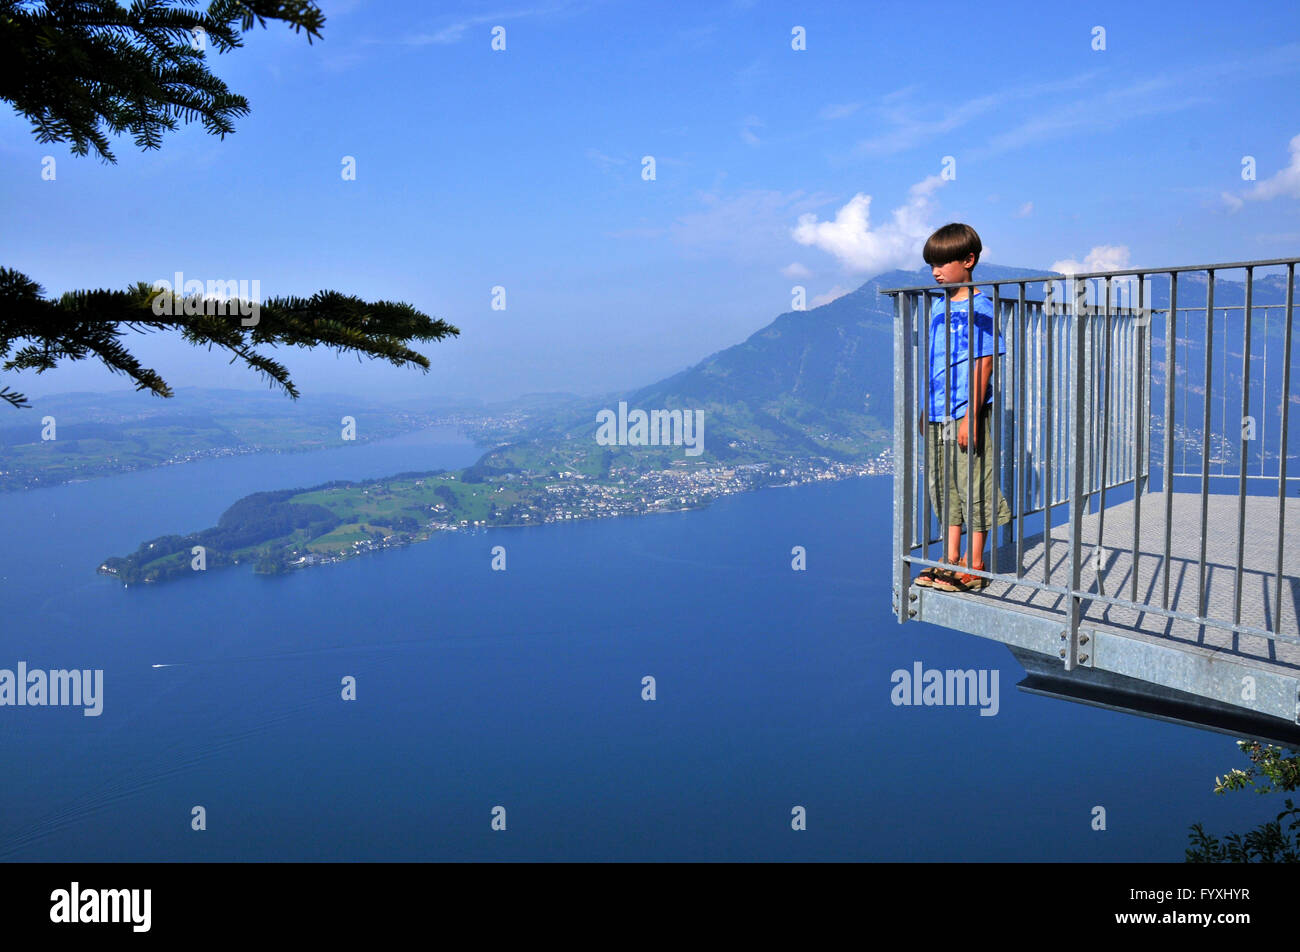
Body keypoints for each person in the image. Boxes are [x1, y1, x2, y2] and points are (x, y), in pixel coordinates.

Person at [912, 222, 1011, 593]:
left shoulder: (980, 307)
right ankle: (949, 558)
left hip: (965, 413)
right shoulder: (939, 306)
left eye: (942, 263)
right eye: (931, 265)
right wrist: (927, 409)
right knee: (946, 486)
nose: (935, 271)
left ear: (968, 260)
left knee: (974, 484)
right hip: (939, 412)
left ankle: (976, 564)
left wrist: (970, 413)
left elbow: (983, 362)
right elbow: (938, 363)